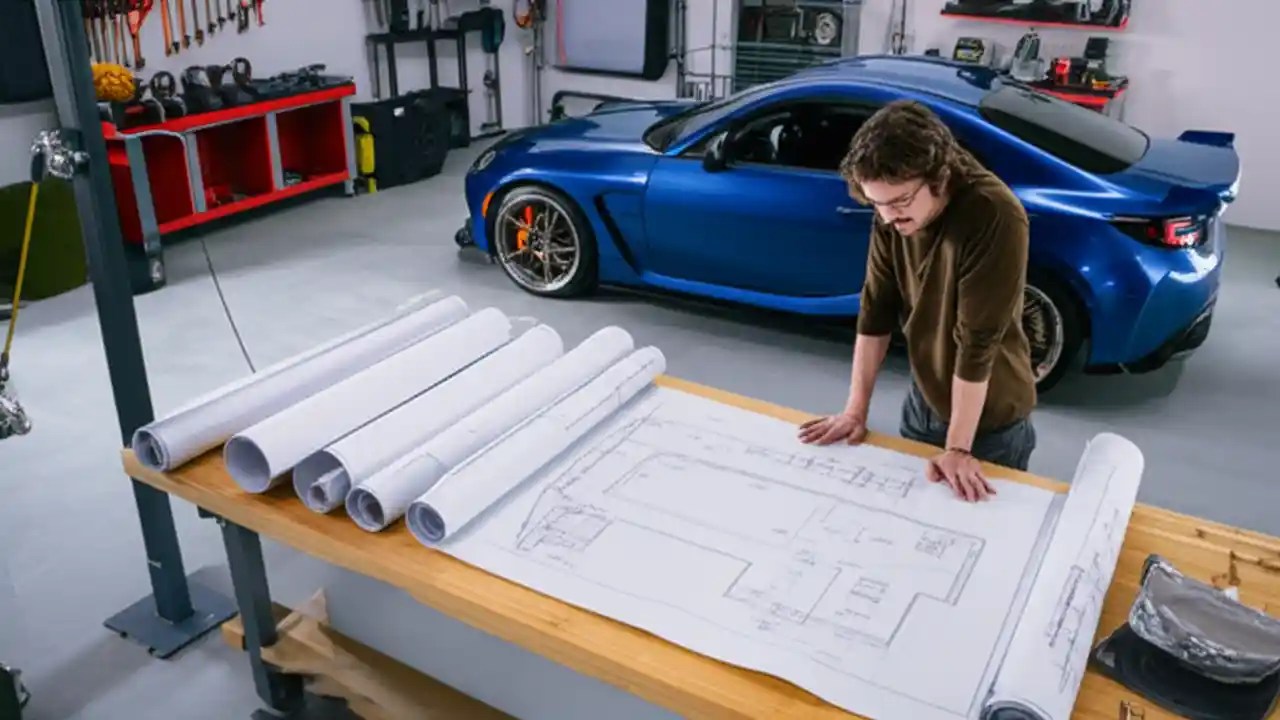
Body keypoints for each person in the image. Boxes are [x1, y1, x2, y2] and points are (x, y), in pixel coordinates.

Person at [797, 100, 1038, 502]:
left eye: (900, 203)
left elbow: (977, 341)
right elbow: (876, 308)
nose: (888, 217)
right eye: (878, 204)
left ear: (939, 179)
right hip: (925, 400)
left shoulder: (994, 214)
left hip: (989, 420)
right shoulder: (892, 205)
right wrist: (855, 411)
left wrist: (959, 448)